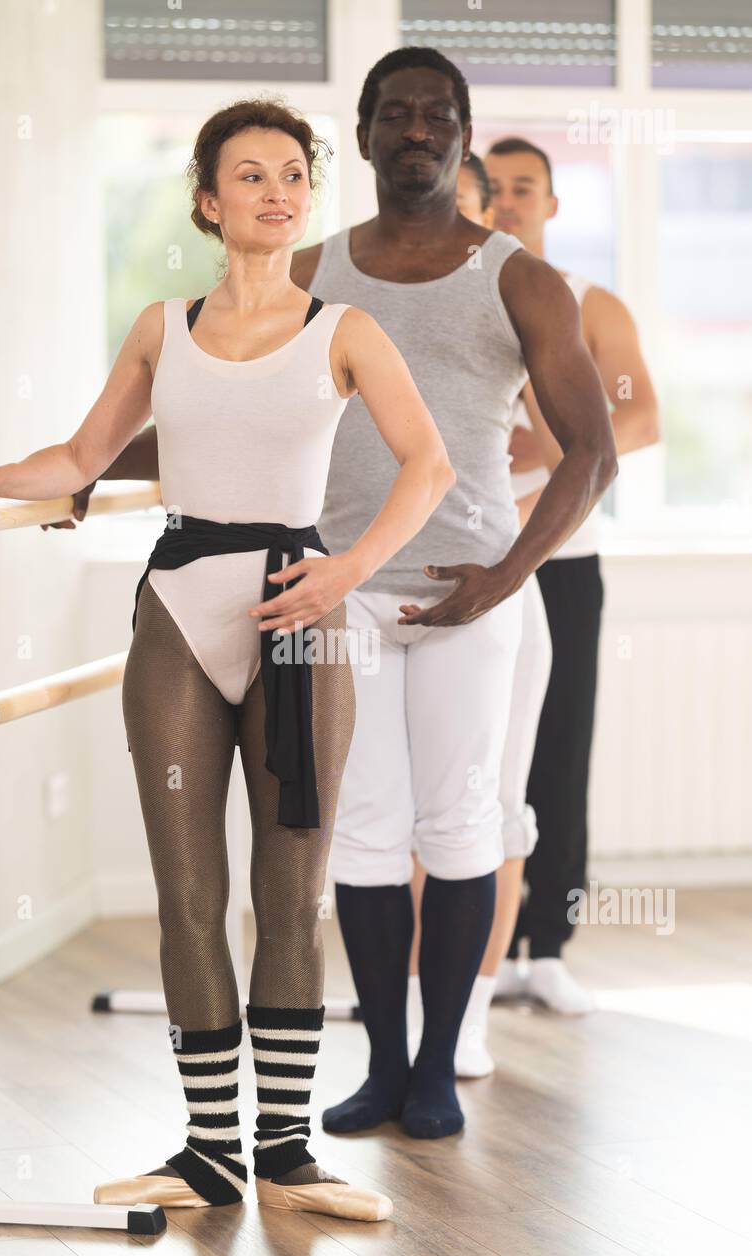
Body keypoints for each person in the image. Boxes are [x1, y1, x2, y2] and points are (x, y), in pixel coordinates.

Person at [0, 98, 457, 1220]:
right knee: (185, 893)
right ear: (209, 204)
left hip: (298, 611)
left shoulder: (344, 330)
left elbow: (428, 469)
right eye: (250, 176)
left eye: (291, 175)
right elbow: (82, 453)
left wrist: (347, 569)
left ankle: (288, 1154)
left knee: (291, 892)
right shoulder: (160, 327)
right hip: (177, 608)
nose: (276, 192)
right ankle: (208, 1152)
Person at [75, 49, 617, 1145]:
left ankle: (436, 1067)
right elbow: (209, 415)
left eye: (439, 114)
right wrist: (82, 469)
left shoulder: (518, 277)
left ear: (463, 139)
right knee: (361, 836)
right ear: (364, 136)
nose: (417, 128)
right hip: (330, 589)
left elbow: (591, 451)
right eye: (395, 113)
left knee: (460, 824)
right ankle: (379, 1066)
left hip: (470, 587)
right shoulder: (309, 266)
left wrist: (505, 577)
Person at [484, 136, 660, 1013]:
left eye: (526, 188)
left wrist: (561, 455)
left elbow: (641, 419)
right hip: (468, 552)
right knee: (471, 754)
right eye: (496, 187)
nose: (509, 201)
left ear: (552, 205)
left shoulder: (591, 304)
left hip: (562, 557)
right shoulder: (460, 298)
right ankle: (461, 947)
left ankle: (543, 945)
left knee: (558, 746)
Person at [405, 150, 553, 1076]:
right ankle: (420, 1010)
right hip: (381, 582)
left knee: (489, 808)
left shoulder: (512, 294)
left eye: (472, 206)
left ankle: (468, 1015)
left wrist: (504, 536)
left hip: (490, 582)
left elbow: (581, 438)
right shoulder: (357, 294)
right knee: (399, 819)